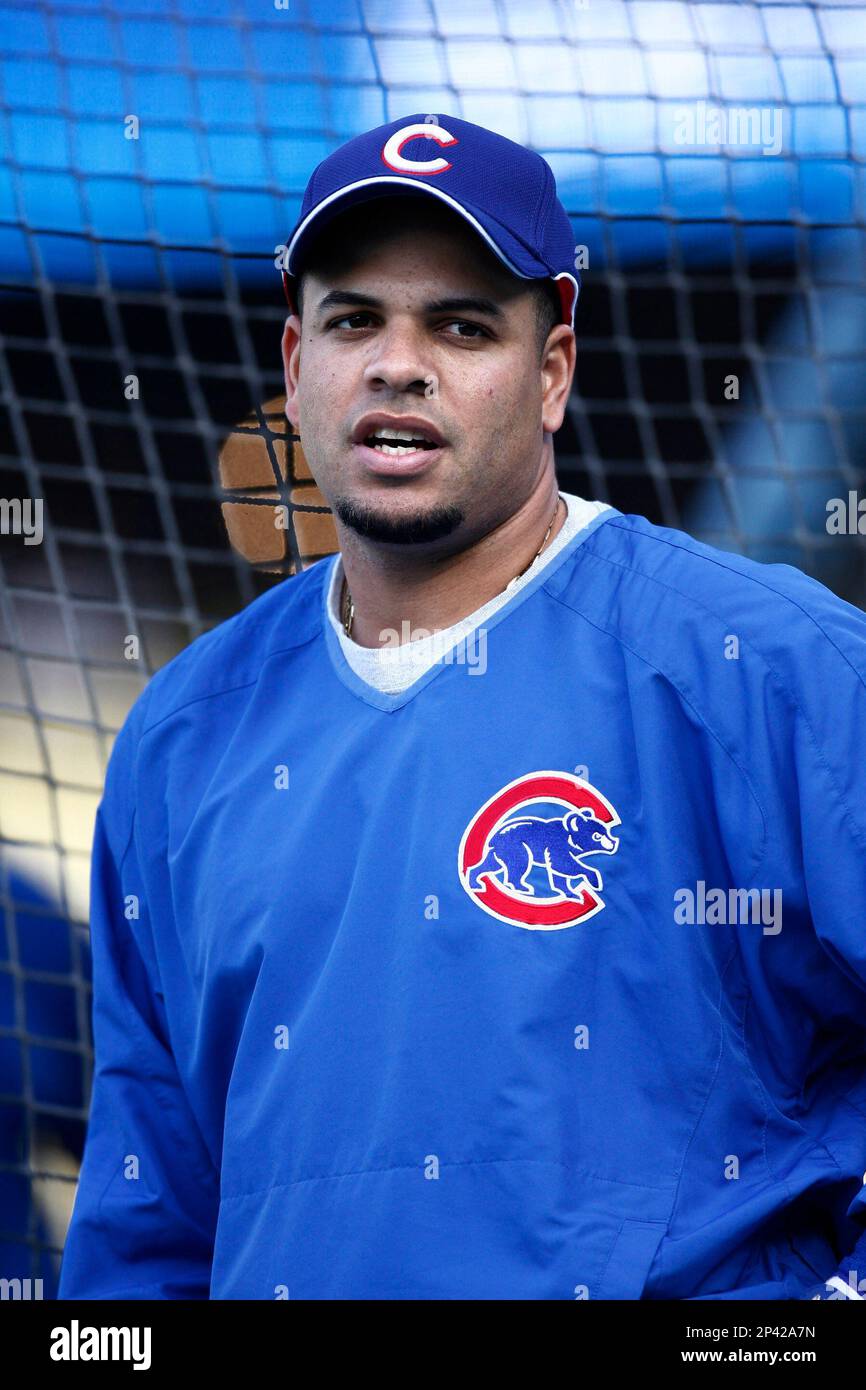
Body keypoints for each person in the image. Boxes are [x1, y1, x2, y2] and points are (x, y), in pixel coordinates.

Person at [58, 114, 866, 1301]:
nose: (397, 363)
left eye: (461, 324)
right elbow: (148, 1217)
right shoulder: (181, 735)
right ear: (294, 366)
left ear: (552, 373)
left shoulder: (773, 665)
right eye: (352, 320)